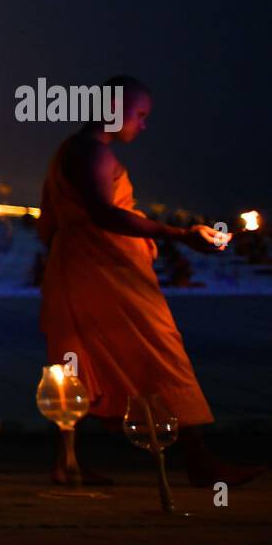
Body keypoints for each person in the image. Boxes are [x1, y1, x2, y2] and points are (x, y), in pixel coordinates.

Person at [38, 75, 262, 487]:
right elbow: (105, 214)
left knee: (77, 359)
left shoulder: (70, 152)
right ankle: (200, 462)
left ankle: (66, 462)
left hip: (78, 266)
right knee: (158, 353)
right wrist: (178, 234)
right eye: (139, 114)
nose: (143, 124)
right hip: (105, 273)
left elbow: (48, 224)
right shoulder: (91, 153)